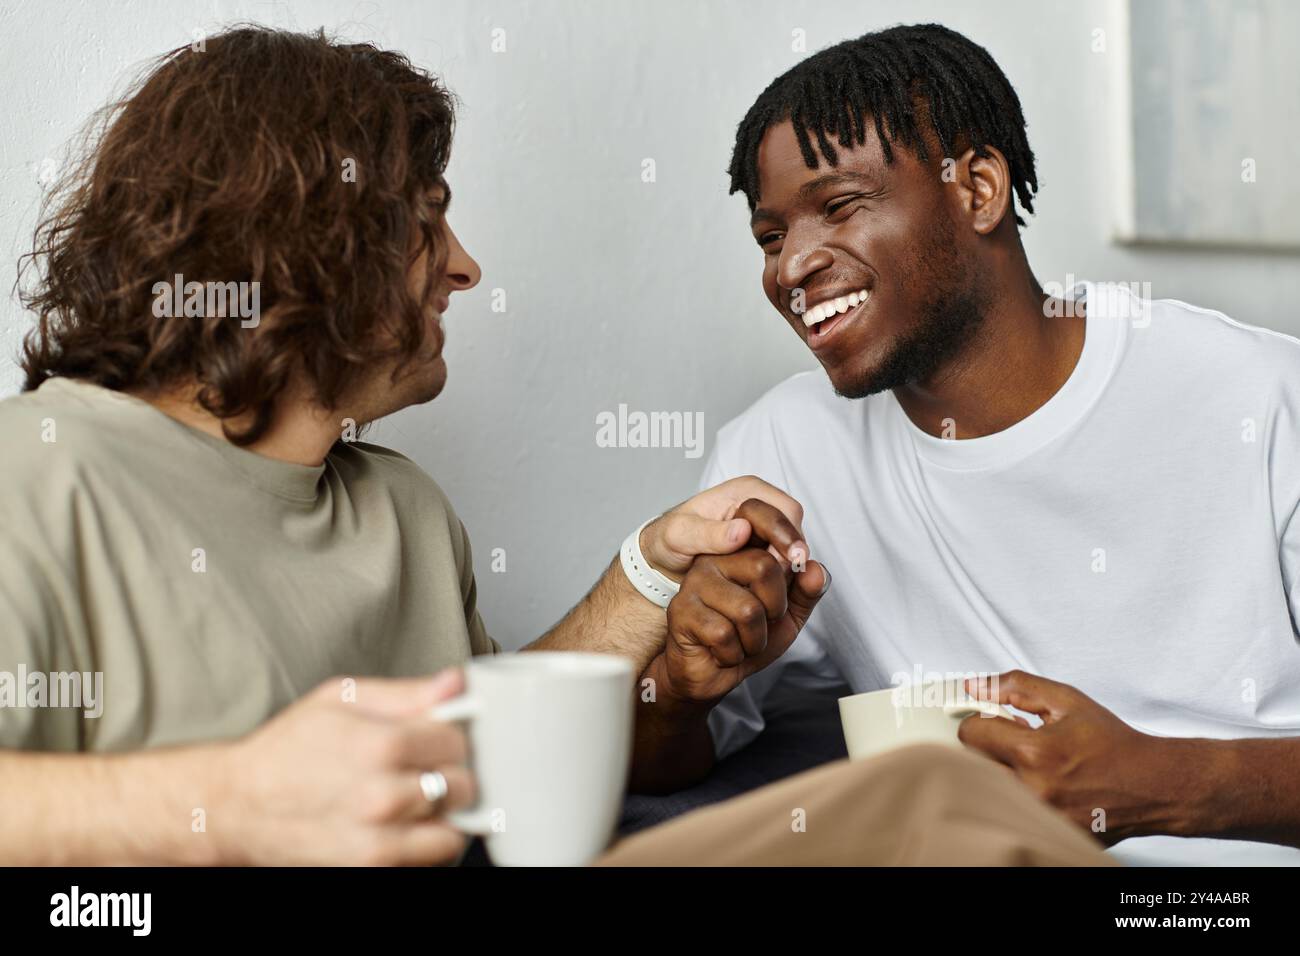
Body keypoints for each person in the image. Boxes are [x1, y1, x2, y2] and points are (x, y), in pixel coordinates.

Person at [0, 25, 1105, 867]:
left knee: (933, 804)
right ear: (299, 234)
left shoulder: (398, 507)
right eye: (427, 217)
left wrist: (652, 568)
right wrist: (230, 803)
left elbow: (490, 743)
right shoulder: (41, 472)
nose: (465, 265)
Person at [684, 22, 1300, 866]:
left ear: (978, 188)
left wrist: (1168, 780)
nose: (790, 268)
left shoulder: (1260, 398)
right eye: (770, 236)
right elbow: (670, 759)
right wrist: (679, 680)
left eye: (838, 207)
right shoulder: (782, 454)